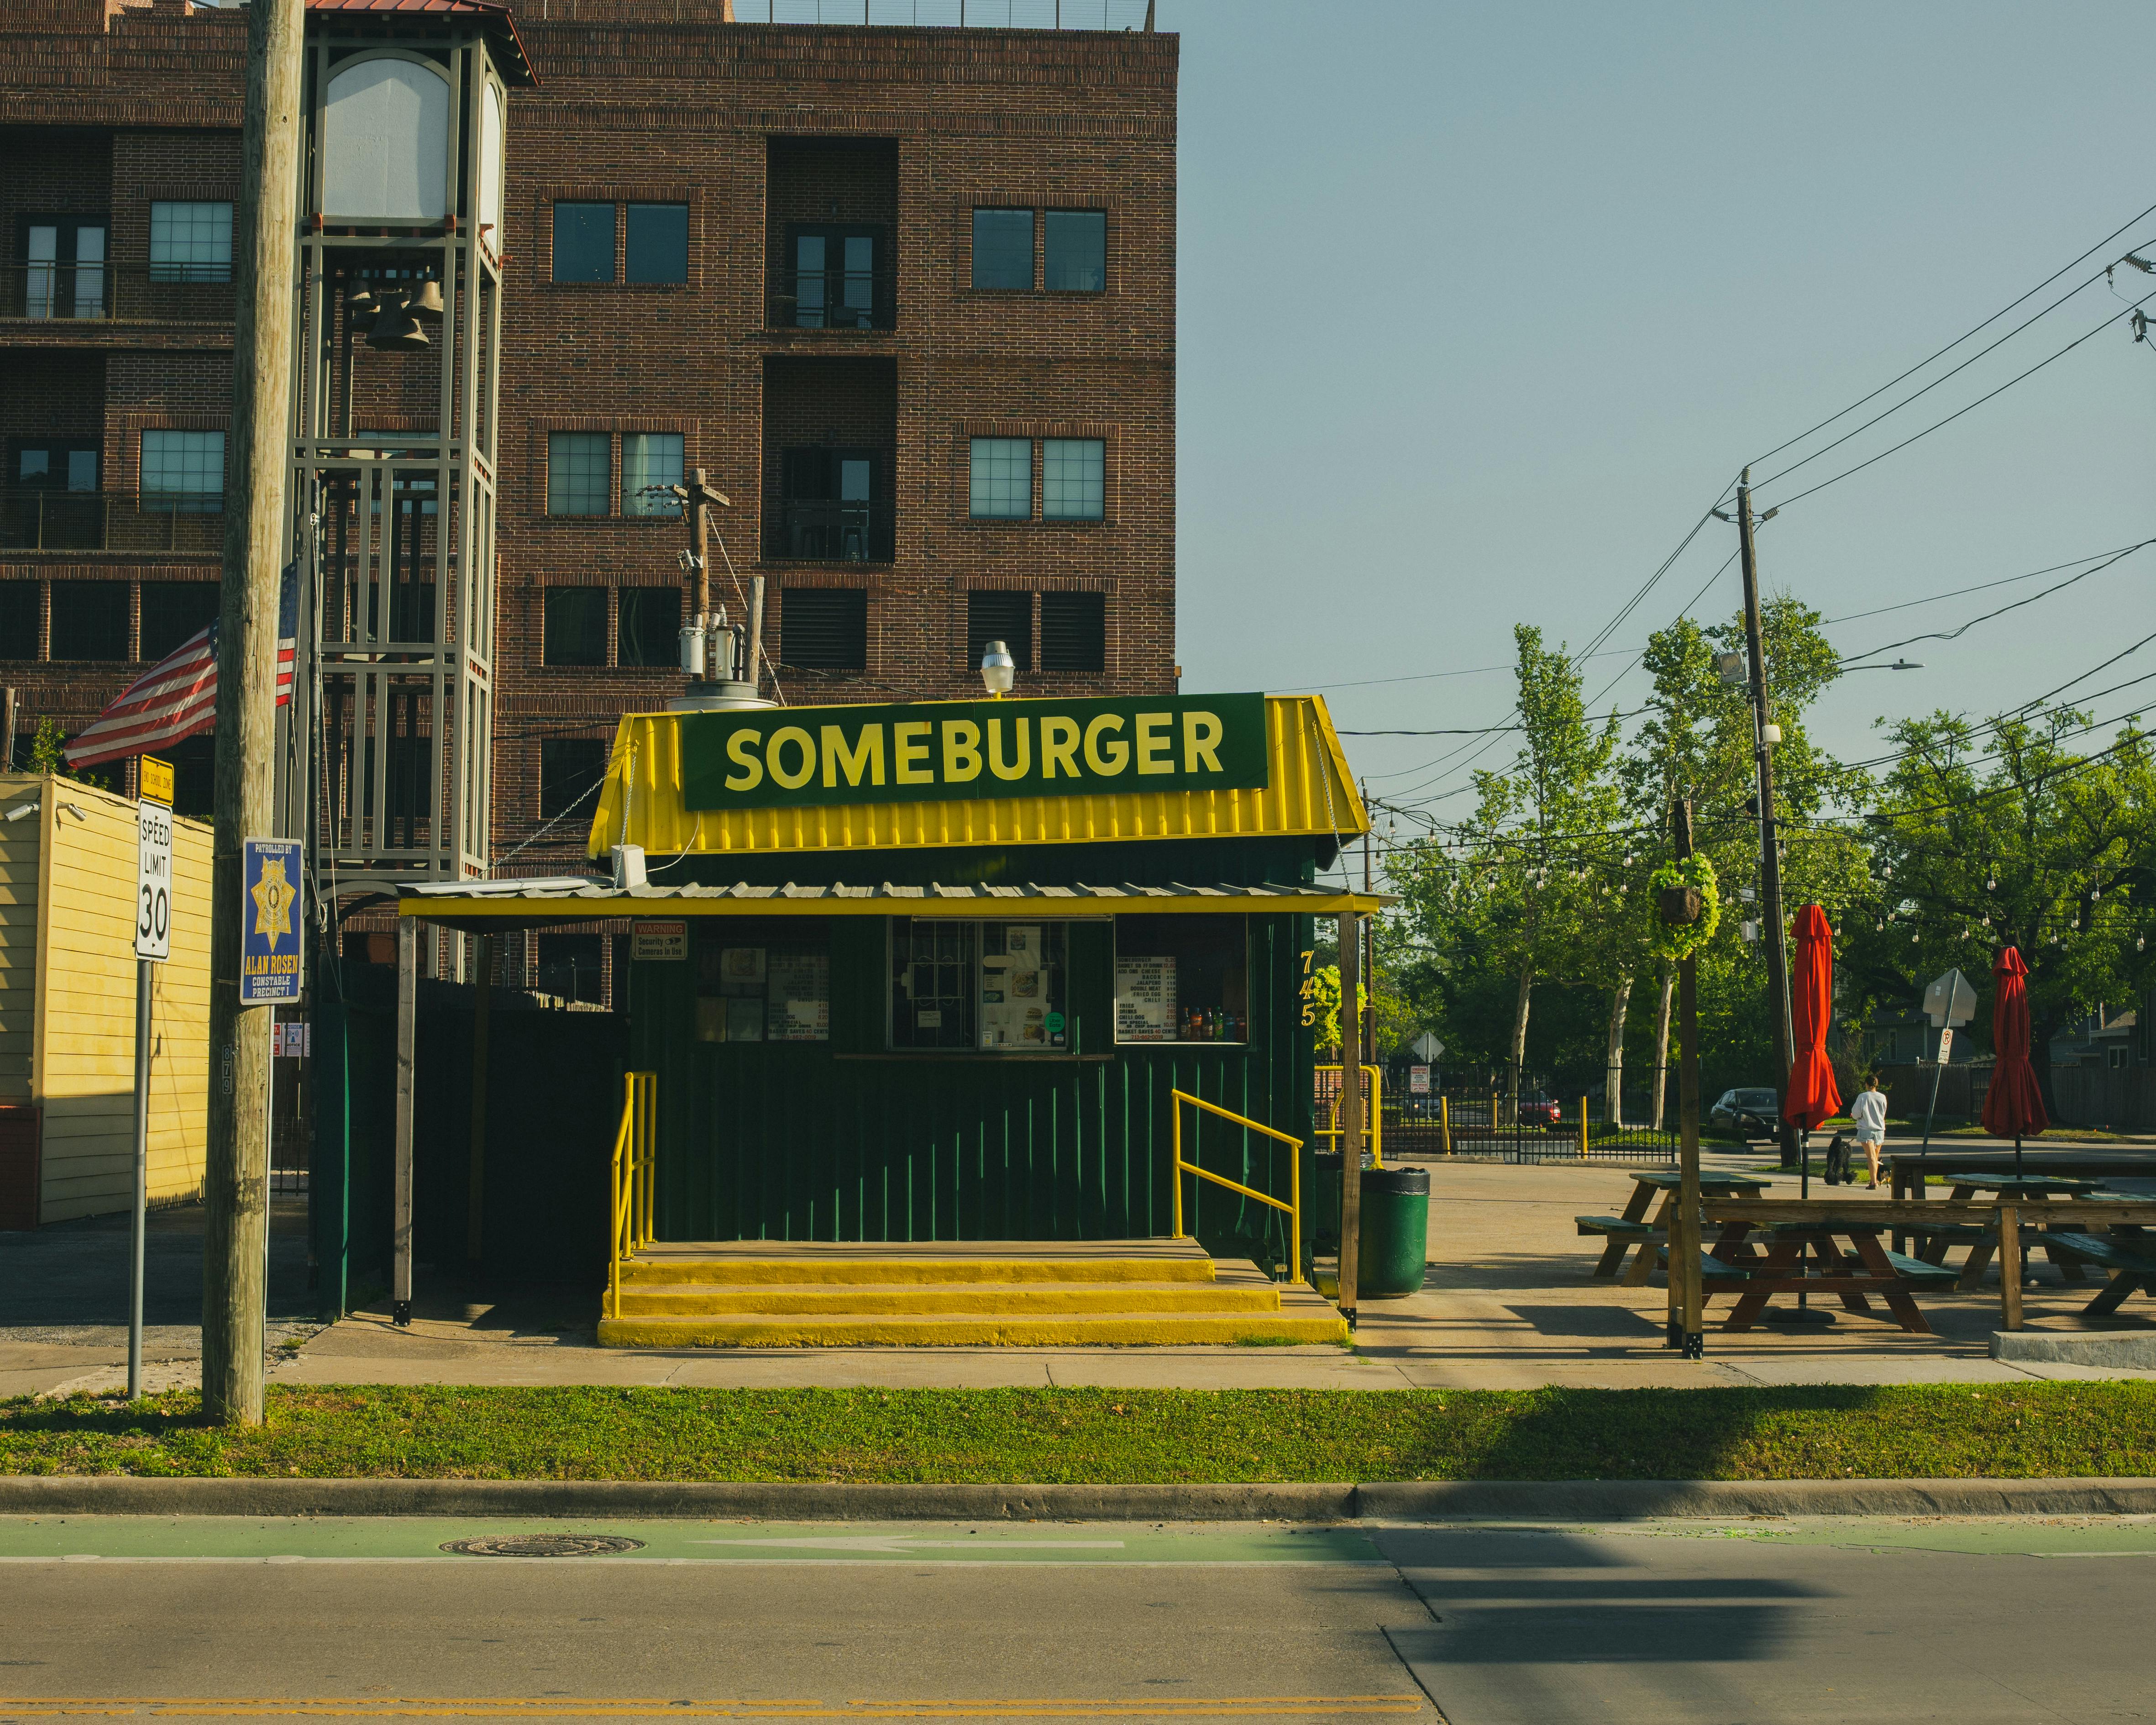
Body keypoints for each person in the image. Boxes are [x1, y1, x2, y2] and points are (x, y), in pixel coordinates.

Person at [1848, 1073, 1889, 1189]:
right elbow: (1883, 1112)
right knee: (1875, 1157)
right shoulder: (1882, 1097)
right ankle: (1876, 1179)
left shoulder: (1863, 1097)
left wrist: (1855, 1116)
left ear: (1867, 1084)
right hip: (1880, 1129)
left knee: (1871, 1157)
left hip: (1866, 1128)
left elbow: (1856, 1114)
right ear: (1876, 1084)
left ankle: (1873, 1182)